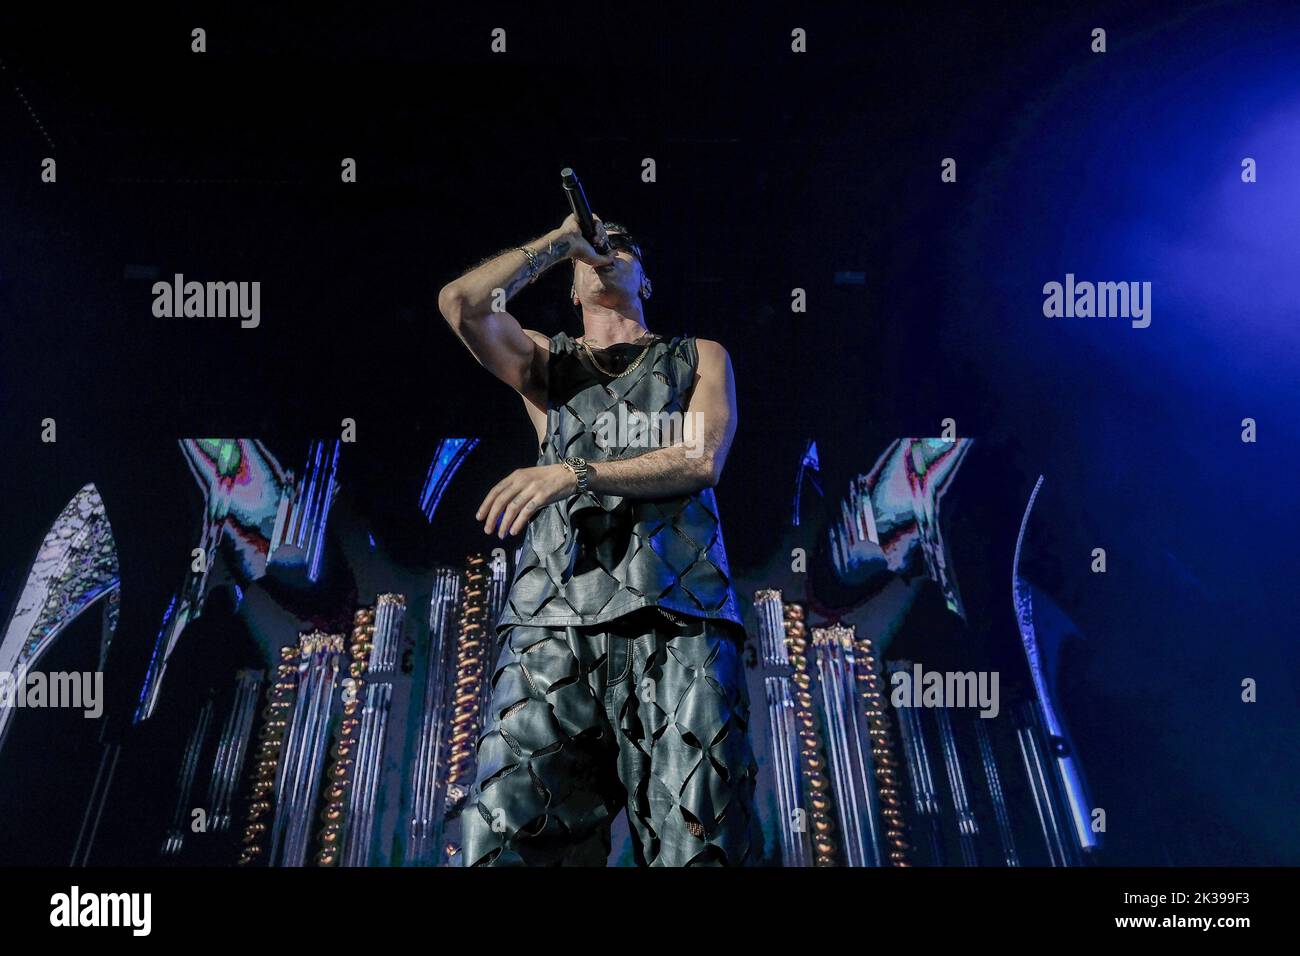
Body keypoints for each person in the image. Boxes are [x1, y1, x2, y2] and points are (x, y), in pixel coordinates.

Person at [436, 210, 761, 866]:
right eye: (592, 251)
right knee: (502, 835)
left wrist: (578, 472)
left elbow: (700, 458)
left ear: (647, 279)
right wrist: (557, 242)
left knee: (699, 838)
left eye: (621, 248)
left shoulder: (699, 355)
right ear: (570, 284)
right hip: (551, 619)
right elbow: (461, 304)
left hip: (681, 615)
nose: (604, 254)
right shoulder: (547, 363)